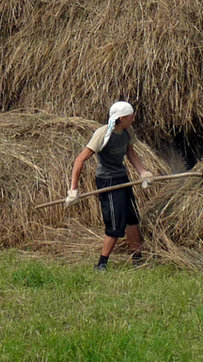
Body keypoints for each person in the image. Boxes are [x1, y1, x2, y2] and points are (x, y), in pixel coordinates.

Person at [66, 101, 154, 271]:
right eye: (130, 117)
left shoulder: (128, 131)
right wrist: (73, 189)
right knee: (115, 225)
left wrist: (143, 172)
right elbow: (80, 159)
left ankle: (137, 258)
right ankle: (101, 264)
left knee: (132, 218)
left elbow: (130, 152)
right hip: (108, 181)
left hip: (122, 178)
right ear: (121, 118)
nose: (133, 119)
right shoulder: (103, 134)